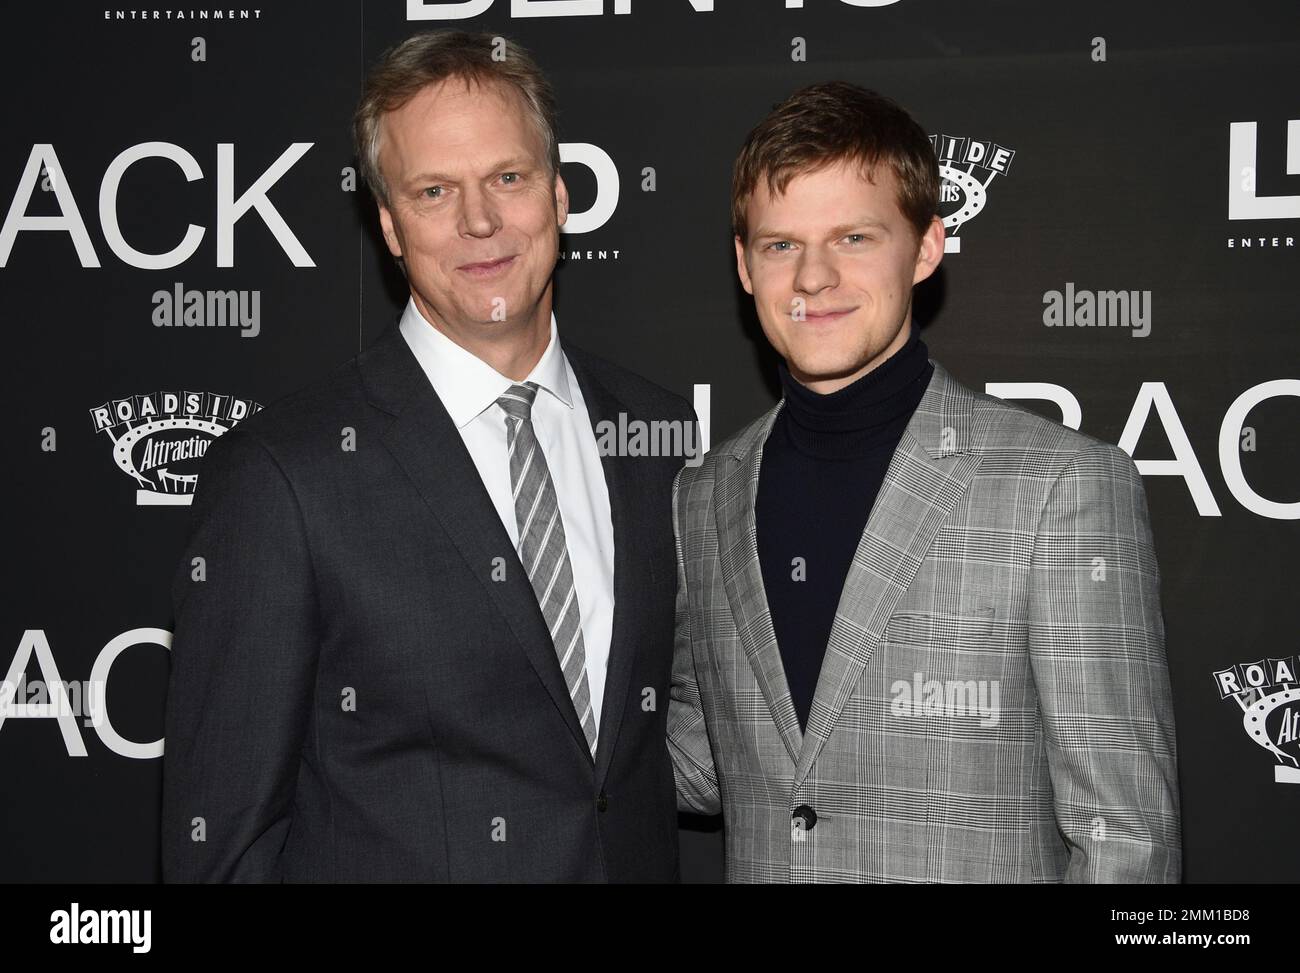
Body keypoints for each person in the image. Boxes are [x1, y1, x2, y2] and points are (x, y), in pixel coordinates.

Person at [162, 29, 693, 882]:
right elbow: (222, 847)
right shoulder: (282, 477)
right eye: (435, 190)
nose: (480, 220)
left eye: (508, 179)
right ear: (389, 225)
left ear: (560, 195)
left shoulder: (658, 438)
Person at [667, 81, 1181, 882]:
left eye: (855, 238)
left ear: (928, 247)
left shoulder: (1061, 487)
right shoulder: (704, 496)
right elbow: (712, 756)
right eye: (780, 245)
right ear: (743, 263)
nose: (812, 277)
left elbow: (1124, 842)